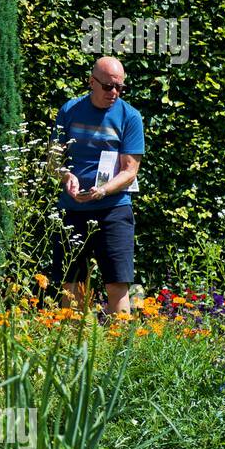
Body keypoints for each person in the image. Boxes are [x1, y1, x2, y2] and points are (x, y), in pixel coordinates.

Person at [50, 55, 144, 314]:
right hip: (72, 209)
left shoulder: (130, 117)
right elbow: (52, 160)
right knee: (72, 284)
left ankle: (120, 350)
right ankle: (72, 348)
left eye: (120, 87)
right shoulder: (69, 110)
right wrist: (66, 176)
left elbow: (130, 171)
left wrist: (103, 190)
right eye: (107, 86)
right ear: (92, 82)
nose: (114, 92)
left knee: (117, 284)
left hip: (114, 209)